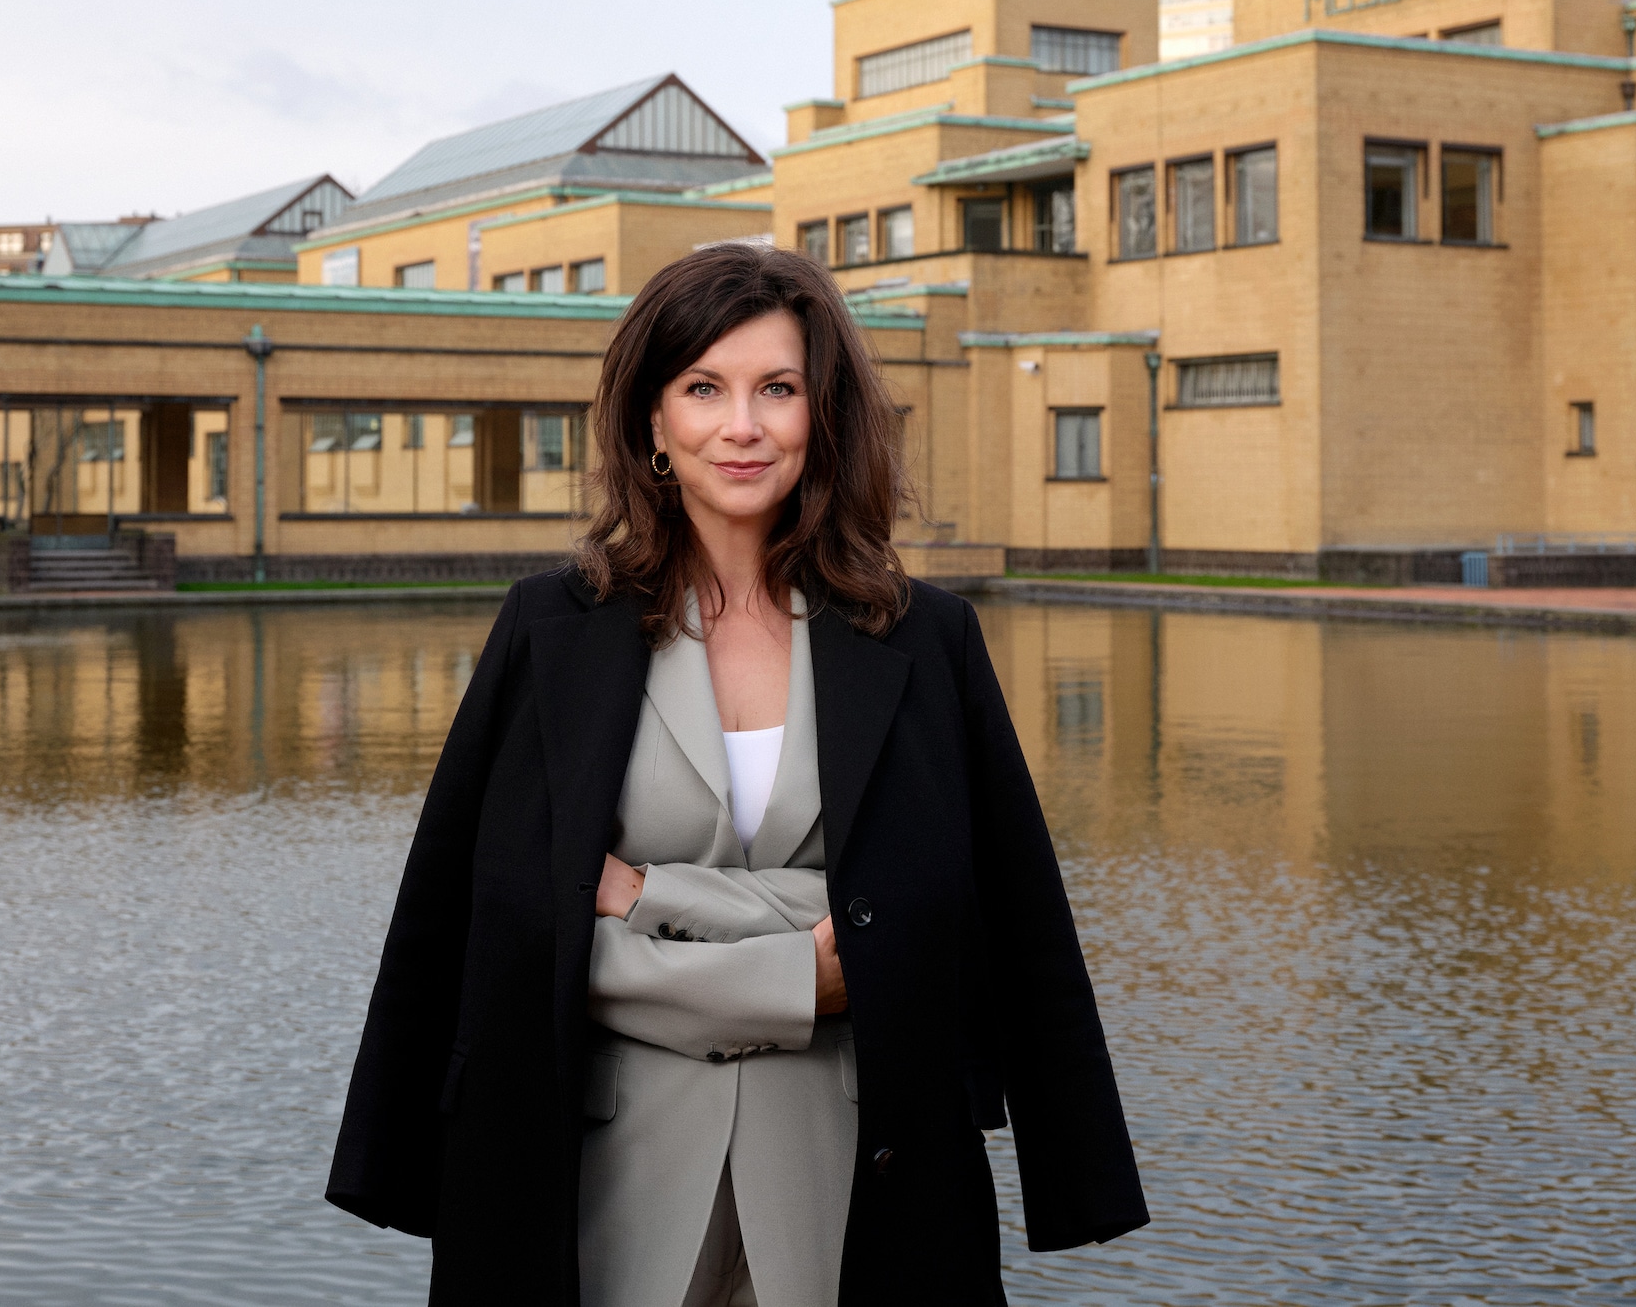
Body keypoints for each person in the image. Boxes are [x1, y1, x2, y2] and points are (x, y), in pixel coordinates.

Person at [327, 244, 1146, 1305]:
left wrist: (645, 896)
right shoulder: (549, 632)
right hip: (602, 1181)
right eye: (702, 389)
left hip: (859, 1180)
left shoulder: (926, 639)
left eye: (776, 389)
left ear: (823, 414)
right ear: (653, 421)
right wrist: (804, 973)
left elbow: (975, 919)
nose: (742, 426)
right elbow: (499, 925)